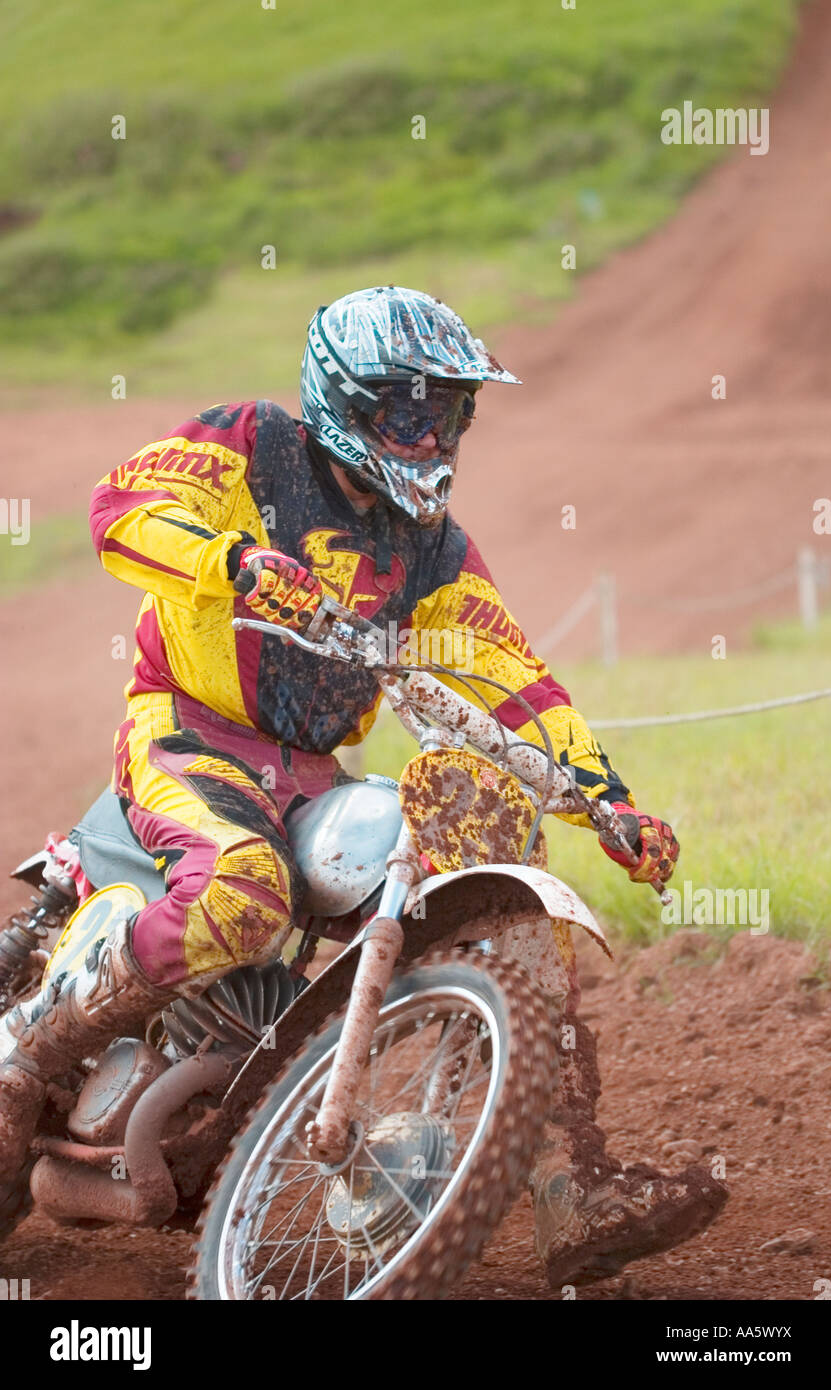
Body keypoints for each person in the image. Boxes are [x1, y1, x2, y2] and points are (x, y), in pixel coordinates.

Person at [0, 286, 725, 1280]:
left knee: (483, 863)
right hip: (187, 732)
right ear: (348, 397)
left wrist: (609, 798)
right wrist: (236, 562)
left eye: (450, 412)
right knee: (239, 895)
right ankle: (30, 1051)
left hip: (310, 774)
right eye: (412, 409)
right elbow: (121, 507)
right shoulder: (252, 445)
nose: (435, 433)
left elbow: (512, 678)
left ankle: (569, 1181)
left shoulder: (432, 552)